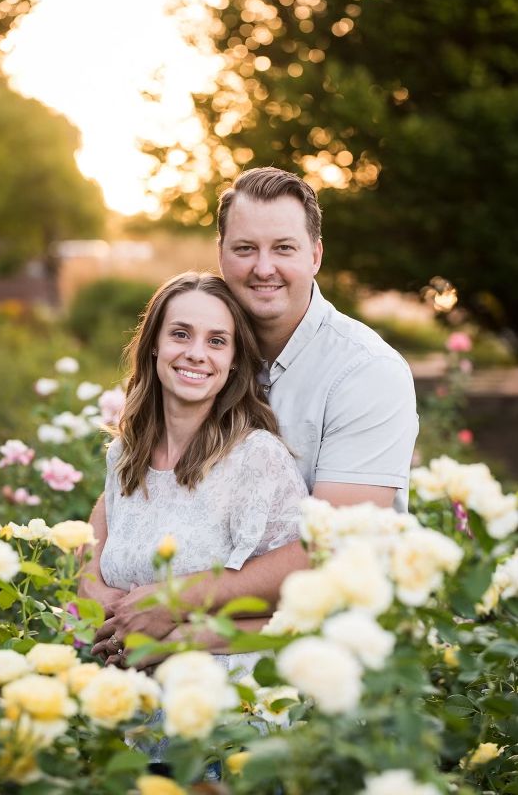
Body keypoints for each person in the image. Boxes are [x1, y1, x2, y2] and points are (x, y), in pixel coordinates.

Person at [89, 166, 418, 653]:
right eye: (245, 249)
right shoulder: (204, 347)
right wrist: (90, 586)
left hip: (319, 651)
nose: (264, 267)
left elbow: (338, 546)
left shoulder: (366, 373)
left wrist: (177, 602)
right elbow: (132, 478)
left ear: (315, 256)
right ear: (222, 255)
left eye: (283, 248)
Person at [82, 272, 307, 668]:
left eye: (216, 341)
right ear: (153, 344)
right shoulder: (124, 457)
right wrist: (98, 598)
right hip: (128, 710)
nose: (196, 353)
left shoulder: (257, 459)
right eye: (180, 334)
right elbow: (89, 568)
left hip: (232, 710)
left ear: (235, 361)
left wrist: (177, 639)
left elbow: (301, 607)